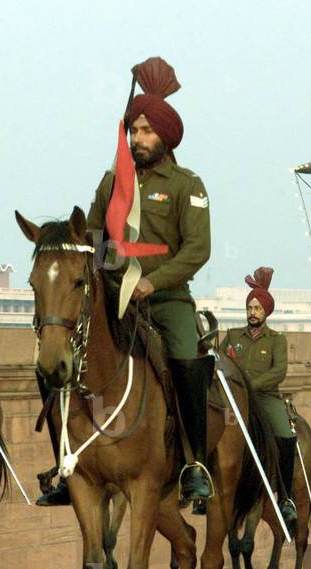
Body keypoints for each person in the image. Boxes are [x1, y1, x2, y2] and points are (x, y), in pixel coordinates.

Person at [35, 58, 213, 511]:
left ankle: (194, 464)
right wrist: (100, 266)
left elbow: (197, 251)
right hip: (113, 294)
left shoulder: (186, 185)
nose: (138, 139)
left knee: (187, 360)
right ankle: (64, 460)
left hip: (165, 297)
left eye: (147, 132)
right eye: (133, 131)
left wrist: (154, 283)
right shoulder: (113, 182)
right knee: (55, 362)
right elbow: (89, 238)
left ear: (166, 137)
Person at [219, 267, 297, 529]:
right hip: (234, 398)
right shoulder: (232, 336)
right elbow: (219, 362)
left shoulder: (277, 340)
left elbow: (279, 371)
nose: (253, 312)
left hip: (265, 399)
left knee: (285, 436)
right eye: (250, 307)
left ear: (266, 312)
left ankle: (285, 497)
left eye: (257, 308)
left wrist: (250, 386)